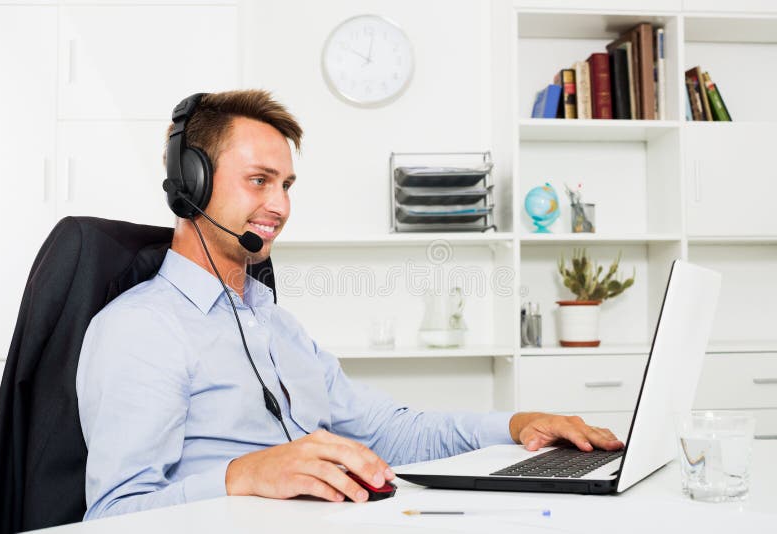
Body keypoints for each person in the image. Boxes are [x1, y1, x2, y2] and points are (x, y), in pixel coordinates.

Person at [76, 90, 623, 520]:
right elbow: (113, 512)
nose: (280, 206)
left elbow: (391, 432)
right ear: (191, 185)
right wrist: (243, 475)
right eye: (259, 181)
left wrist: (519, 424)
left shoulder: (277, 325)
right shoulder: (141, 330)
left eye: (287, 185)